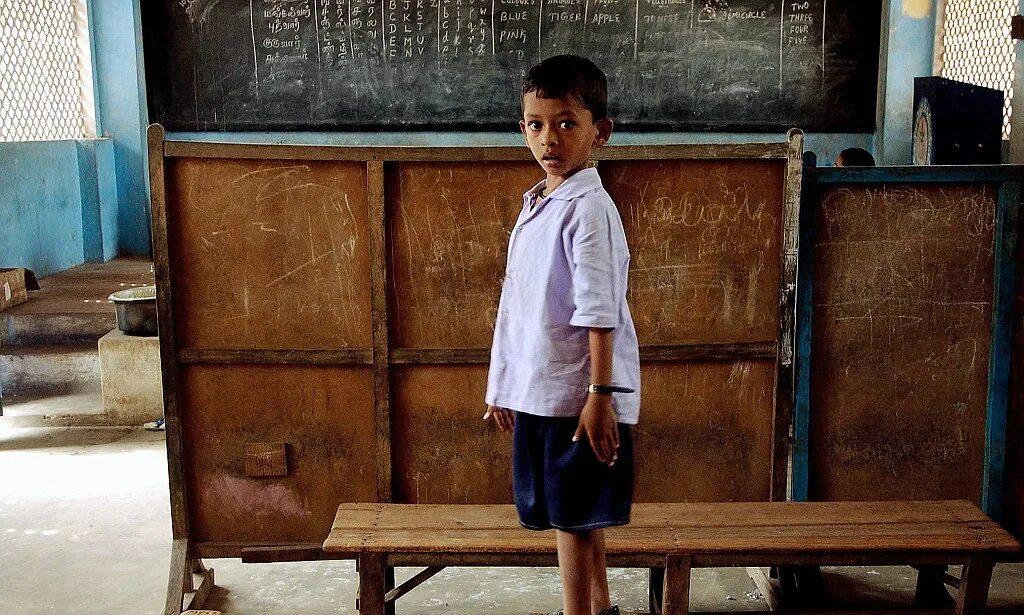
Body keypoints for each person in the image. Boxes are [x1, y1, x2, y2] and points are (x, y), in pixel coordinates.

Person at [483, 55, 641, 615]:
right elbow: (517, 307)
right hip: (543, 394)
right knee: (575, 517)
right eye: (536, 123)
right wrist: (504, 385)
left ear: (601, 132)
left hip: (577, 399)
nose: (550, 138)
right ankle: (598, 609)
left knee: (573, 521)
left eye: (567, 123)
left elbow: (600, 311)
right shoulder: (539, 204)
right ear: (522, 127)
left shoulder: (588, 209)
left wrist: (600, 398)